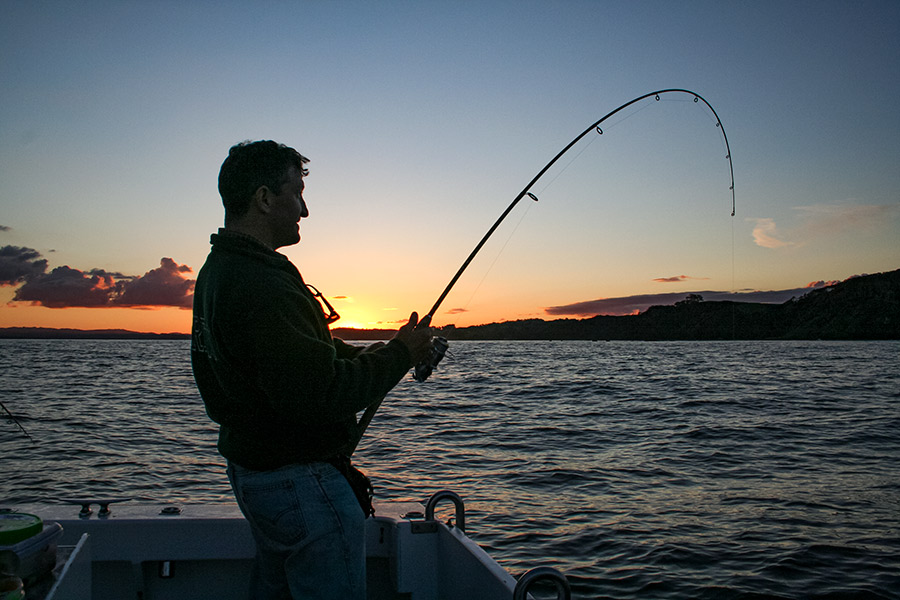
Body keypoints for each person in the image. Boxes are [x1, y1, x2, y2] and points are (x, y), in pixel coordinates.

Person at [191, 140, 434, 599]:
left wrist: (382, 350)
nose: (304, 209)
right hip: (301, 485)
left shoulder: (220, 269)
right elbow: (321, 393)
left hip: (254, 473)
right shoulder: (262, 282)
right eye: (297, 192)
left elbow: (294, 358)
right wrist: (401, 354)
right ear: (264, 198)